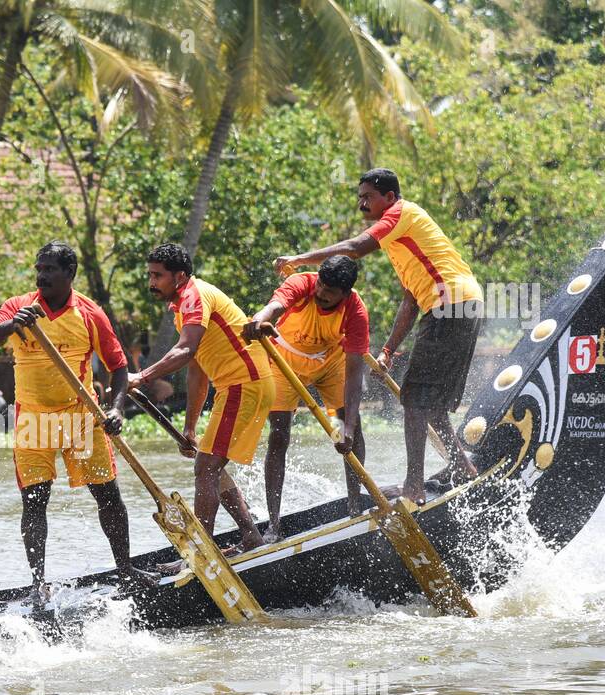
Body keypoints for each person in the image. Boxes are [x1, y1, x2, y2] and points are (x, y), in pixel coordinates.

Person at [274, 168, 484, 504]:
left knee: (414, 400)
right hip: (461, 305)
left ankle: (413, 487)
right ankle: (462, 467)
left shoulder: (401, 213)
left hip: (450, 304)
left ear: (388, 197)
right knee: (431, 404)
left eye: (367, 197)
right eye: (359, 198)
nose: (361, 205)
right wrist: (388, 350)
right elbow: (410, 299)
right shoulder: (399, 241)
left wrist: (302, 259)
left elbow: (356, 248)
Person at [0, 240, 151, 600]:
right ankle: (39, 583)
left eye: (50, 269)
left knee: (107, 495)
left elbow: (119, 368)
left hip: (79, 417)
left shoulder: (90, 313)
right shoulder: (18, 307)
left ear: (69, 274)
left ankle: (125, 569)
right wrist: (11, 325)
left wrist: (116, 409)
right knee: (35, 501)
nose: (42, 276)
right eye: (39, 269)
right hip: (32, 419)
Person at [130, 243, 274, 552]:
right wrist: (190, 428)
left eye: (158, 276)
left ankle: (202, 552)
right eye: (150, 276)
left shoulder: (194, 297)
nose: (151, 283)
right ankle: (250, 535)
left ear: (179, 276)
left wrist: (141, 377)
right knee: (211, 466)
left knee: (206, 468)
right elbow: (197, 372)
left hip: (244, 383)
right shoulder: (183, 306)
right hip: (237, 385)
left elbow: (185, 350)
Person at [241, 256, 371, 541]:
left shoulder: (356, 310)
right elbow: (276, 305)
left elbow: (353, 372)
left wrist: (346, 426)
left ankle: (355, 506)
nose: (321, 294)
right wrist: (260, 319)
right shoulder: (303, 282)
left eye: (330, 292)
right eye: (321, 286)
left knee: (349, 432)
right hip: (284, 362)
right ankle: (274, 525)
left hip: (330, 366)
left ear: (346, 294)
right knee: (279, 435)